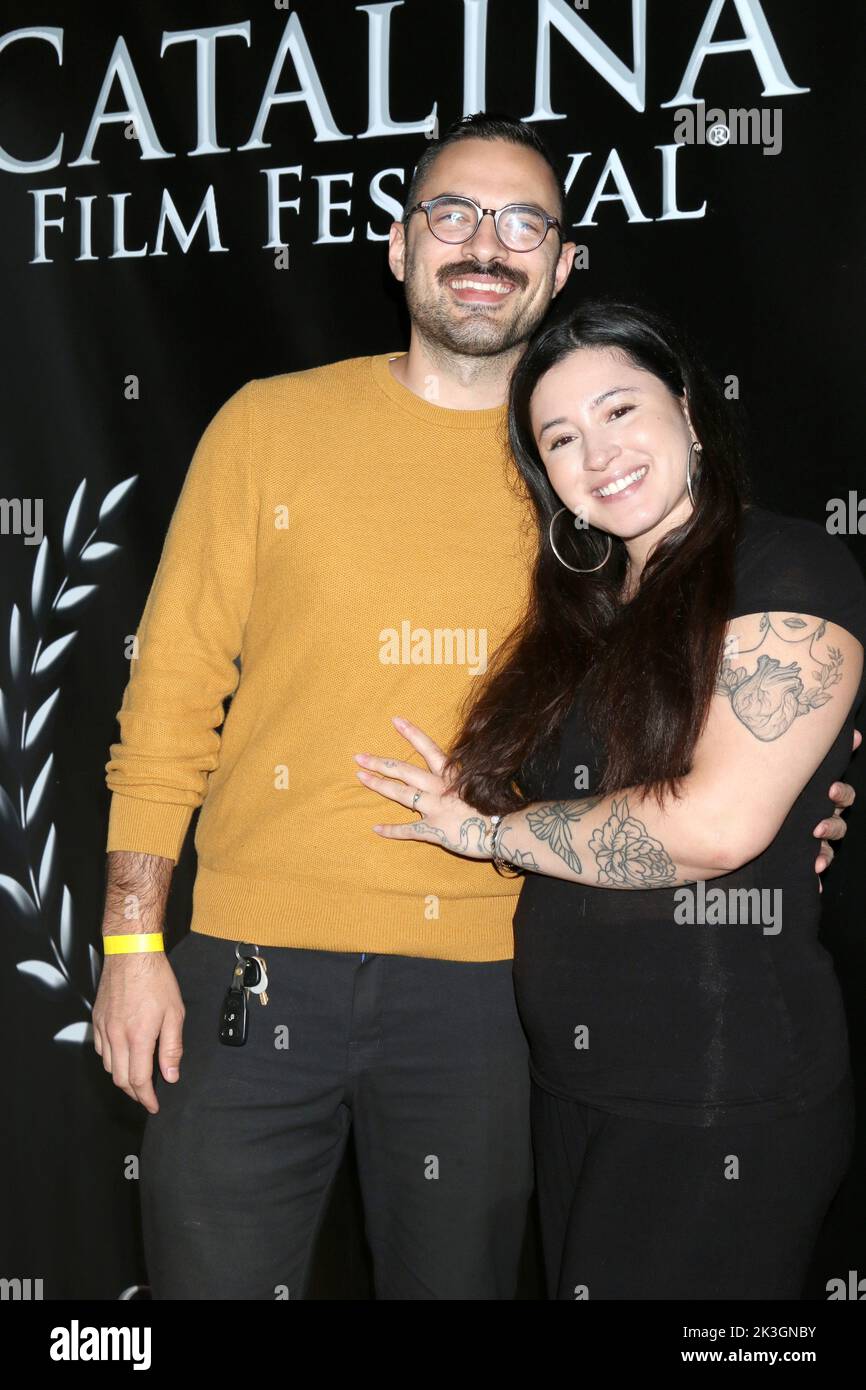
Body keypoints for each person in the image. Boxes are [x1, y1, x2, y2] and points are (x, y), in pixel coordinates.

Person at [94, 113, 854, 1301]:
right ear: (396, 247)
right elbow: (169, 692)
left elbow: (701, 738)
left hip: (490, 991)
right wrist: (133, 941)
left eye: (521, 224)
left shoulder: (596, 494)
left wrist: (793, 801)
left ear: (560, 266)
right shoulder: (266, 425)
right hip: (245, 969)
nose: (482, 244)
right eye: (451, 214)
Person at [354, 298, 866, 1300]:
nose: (596, 452)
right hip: (576, 1085)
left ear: (684, 407)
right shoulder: (575, 619)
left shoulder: (784, 564)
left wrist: (492, 833)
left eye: (619, 410)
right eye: (560, 438)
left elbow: (713, 827)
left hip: (718, 1095)